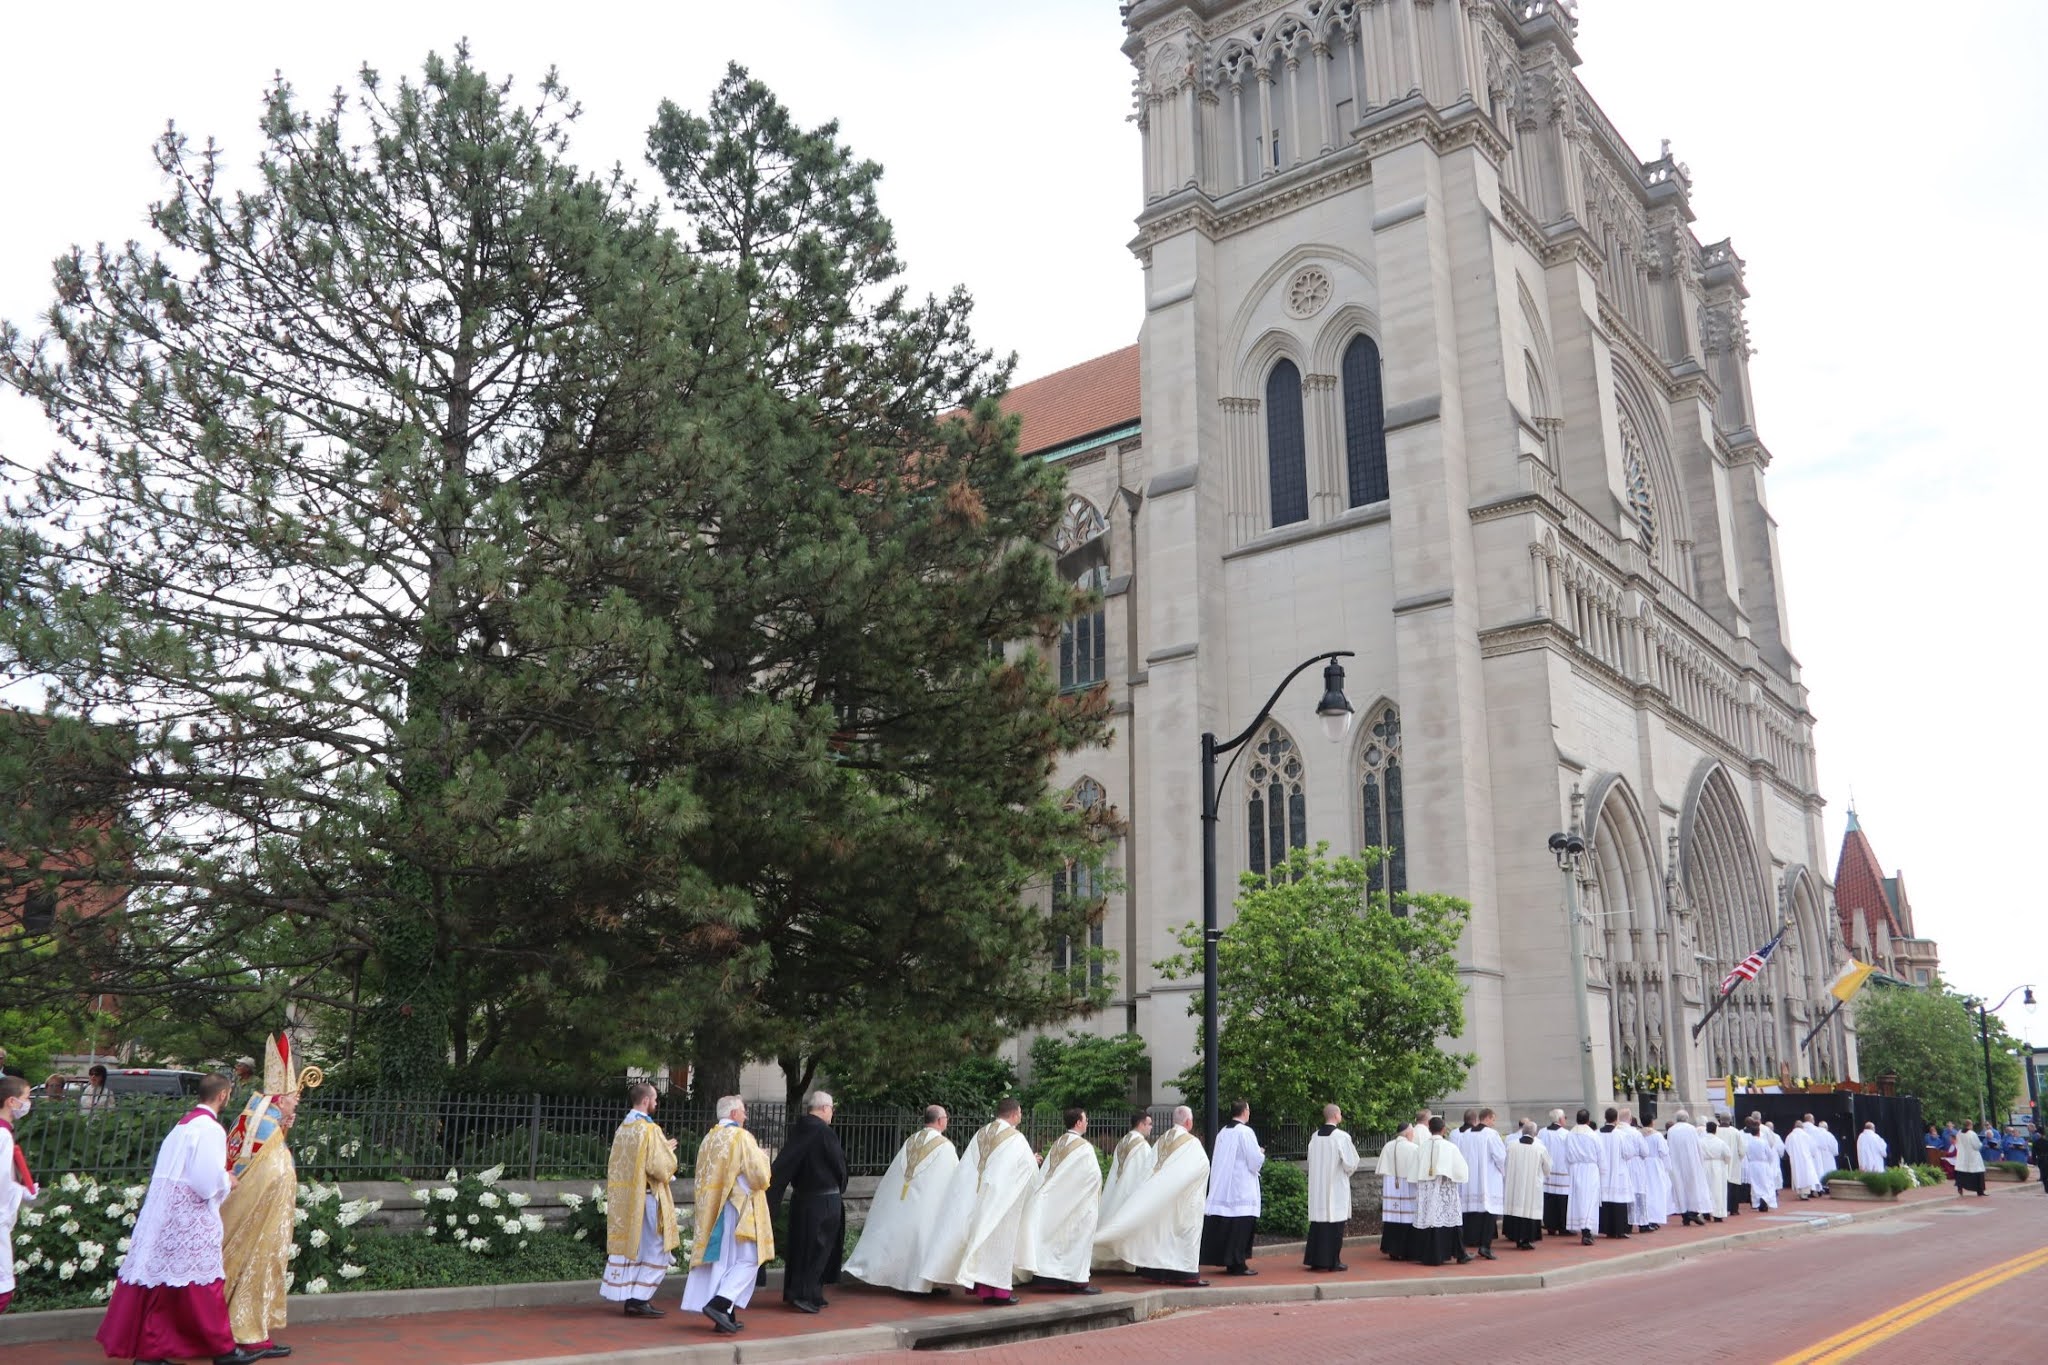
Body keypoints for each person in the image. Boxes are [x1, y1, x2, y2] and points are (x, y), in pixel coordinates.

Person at [96, 1073, 256, 1365]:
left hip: (164, 1215)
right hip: (188, 1218)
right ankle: (223, 1350)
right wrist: (227, 1180)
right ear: (223, 1095)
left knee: (164, 1286)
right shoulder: (210, 1129)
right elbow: (205, 1181)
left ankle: (151, 1351)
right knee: (204, 1286)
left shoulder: (182, 1126)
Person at [218, 1033, 317, 1360]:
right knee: (253, 1266)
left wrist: (285, 1126)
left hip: (245, 1215)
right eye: (291, 1096)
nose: (296, 1100)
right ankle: (247, 1333)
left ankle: (243, 1331)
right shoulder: (265, 1125)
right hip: (256, 1222)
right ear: (277, 1100)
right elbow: (270, 1172)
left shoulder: (255, 1117)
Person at [919, 1096, 1039, 1304]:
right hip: (1002, 1200)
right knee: (998, 1244)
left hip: (978, 1196)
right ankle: (1000, 1293)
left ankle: (985, 1291)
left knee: (982, 1242)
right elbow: (1028, 1170)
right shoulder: (1015, 1138)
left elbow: (966, 1168)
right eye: (1020, 1111)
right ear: (1013, 1113)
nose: (1021, 1115)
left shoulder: (981, 1134)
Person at [681, 1095, 774, 1334]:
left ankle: (727, 1316)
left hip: (715, 1208)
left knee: (726, 1261)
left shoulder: (709, 1138)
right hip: (739, 1207)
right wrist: (763, 1156)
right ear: (733, 1114)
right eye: (743, 1111)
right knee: (750, 1258)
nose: (745, 1116)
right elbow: (759, 1177)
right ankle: (719, 1304)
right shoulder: (741, 1137)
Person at [845, 1106, 957, 1294]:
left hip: (907, 1200)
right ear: (940, 1121)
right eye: (946, 1117)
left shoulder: (911, 1141)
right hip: (929, 1204)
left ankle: (906, 1281)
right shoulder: (944, 1146)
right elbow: (954, 1177)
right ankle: (924, 1284)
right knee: (925, 1241)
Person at [1094, 1106, 1210, 1286]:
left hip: (1158, 1199)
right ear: (1188, 1122)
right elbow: (1201, 1167)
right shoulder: (1191, 1143)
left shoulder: (1160, 1141)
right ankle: (1185, 1274)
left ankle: (1157, 1272)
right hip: (1179, 1200)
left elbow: (1148, 1171)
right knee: (1179, 1235)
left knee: (1159, 1235)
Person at [600, 1080, 680, 1317]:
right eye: (655, 1099)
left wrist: (661, 1148)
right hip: (648, 1197)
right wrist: (668, 1153)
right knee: (659, 1247)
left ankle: (630, 1295)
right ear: (645, 1101)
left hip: (628, 1198)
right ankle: (639, 1297)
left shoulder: (624, 1127)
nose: (656, 1103)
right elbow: (658, 1167)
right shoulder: (649, 1129)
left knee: (637, 1246)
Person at [770, 1090, 849, 1314]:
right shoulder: (824, 1132)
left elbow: (785, 1165)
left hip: (803, 1198)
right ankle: (806, 1293)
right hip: (824, 1200)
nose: (832, 1113)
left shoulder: (800, 1129)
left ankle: (805, 1291)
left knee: (803, 1248)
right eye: (832, 1109)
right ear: (824, 1108)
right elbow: (838, 1165)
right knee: (818, 1249)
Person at [1016, 1108, 1103, 1293]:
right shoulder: (1084, 1148)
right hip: (1075, 1204)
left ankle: (1049, 1278)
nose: (1087, 1123)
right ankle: (1077, 1281)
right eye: (1085, 1119)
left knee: (1054, 1241)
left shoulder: (1058, 1143)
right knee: (1074, 1240)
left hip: (1053, 1202)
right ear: (1078, 1122)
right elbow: (1093, 1177)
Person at [1200, 1099, 1263, 1276]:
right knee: (1241, 1228)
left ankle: (1231, 1261)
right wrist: (1261, 1154)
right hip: (1241, 1187)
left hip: (1225, 1185)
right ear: (1244, 1111)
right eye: (1248, 1109)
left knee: (1230, 1228)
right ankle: (1238, 1263)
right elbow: (1254, 1161)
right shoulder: (1245, 1132)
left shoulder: (1222, 1133)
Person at [1092, 1113, 1155, 1270]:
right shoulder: (1142, 1146)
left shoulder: (1123, 1141)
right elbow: (1146, 1172)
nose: (1151, 1128)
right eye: (1149, 1124)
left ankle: (1114, 1260)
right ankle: (1130, 1262)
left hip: (1116, 1190)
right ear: (1141, 1124)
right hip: (1130, 1191)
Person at [1304, 1104, 1359, 1271]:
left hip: (1318, 1187)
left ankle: (1315, 1259)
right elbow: (1351, 1163)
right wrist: (1346, 1172)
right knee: (1334, 1224)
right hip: (1335, 1186)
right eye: (1340, 1113)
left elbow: (1310, 1160)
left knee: (1319, 1225)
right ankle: (1332, 1261)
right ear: (1335, 1115)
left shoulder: (1315, 1137)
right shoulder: (1341, 1137)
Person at [1, 1075, 38, 1315]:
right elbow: (2, 1181)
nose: (29, 1103)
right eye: (26, 1097)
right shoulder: (3, 1136)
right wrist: (22, 1192)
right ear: (11, 1102)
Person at [1411, 1116, 1471, 1266]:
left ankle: (1428, 1255)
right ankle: (1460, 1254)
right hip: (1445, 1190)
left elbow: (1414, 1171)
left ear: (1429, 1129)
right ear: (1443, 1129)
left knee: (1429, 1219)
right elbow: (1461, 1170)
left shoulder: (1422, 1147)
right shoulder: (1449, 1147)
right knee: (1449, 1218)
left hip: (1427, 1191)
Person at [1453, 1108, 1505, 1260]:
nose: (1494, 1123)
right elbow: (1500, 1157)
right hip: (1487, 1179)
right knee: (1489, 1212)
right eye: (1493, 1119)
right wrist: (1502, 1171)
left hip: (1470, 1181)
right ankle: (1485, 1246)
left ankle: (1466, 1242)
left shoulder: (1466, 1135)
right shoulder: (1491, 1134)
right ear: (1487, 1118)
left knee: (1471, 1212)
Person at [1502, 1119, 1550, 1251]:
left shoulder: (1511, 1145)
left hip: (1515, 1183)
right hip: (1532, 1186)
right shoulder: (1539, 1148)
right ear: (1535, 1133)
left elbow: (1504, 1163)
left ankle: (1516, 1237)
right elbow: (1547, 1168)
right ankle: (1527, 1239)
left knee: (1516, 1208)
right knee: (1529, 1209)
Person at [1375, 1122, 1417, 1261]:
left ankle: (1392, 1249)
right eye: (1412, 1132)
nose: (1413, 1135)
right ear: (1406, 1133)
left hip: (1391, 1184)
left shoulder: (1388, 1146)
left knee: (1394, 1218)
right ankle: (1407, 1250)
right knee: (1407, 1216)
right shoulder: (1413, 1148)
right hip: (1407, 1185)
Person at [1563, 1109, 1603, 1246]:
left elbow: (1566, 1156)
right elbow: (1600, 1155)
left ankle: (1583, 1228)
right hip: (1590, 1169)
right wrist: (1602, 1171)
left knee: (1579, 1200)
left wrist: (1571, 1169)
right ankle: (1587, 1231)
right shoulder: (1593, 1135)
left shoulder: (1570, 1135)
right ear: (1588, 1120)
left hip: (1576, 1169)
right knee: (1590, 1200)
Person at [1664, 1111, 1710, 1226]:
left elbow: (1669, 1146)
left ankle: (1685, 1214)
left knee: (1680, 1187)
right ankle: (1693, 1212)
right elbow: (1697, 1145)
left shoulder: (1671, 1130)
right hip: (1691, 1162)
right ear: (1687, 1118)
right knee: (1693, 1187)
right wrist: (1700, 1159)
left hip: (1676, 1162)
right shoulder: (1691, 1129)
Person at [1594, 1106, 1634, 1239]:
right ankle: (1620, 1229)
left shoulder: (1596, 1134)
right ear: (1616, 1119)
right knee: (1618, 1199)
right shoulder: (1621, 1135)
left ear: (1605, 1118)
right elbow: (1629, 1153)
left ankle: (1606, 1228)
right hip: (1618, 1171)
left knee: (1605, 1199)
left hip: (1603, 1172)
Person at [1536, 1109, 1571, 1237]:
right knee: (1562, 1199)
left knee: (1548, 1197)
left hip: (1547, 1170)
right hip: (1562, 1170)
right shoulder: (1566, 1134)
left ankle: (1550, 1225)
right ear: (1561, 1119)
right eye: (1565, 1117)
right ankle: (1563, 1226)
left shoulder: (1542, 1132)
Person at [1631, 1115, 1669, 1232]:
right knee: (1656, 1192)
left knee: (1645, 1192)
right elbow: (1664, 1151)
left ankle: (1646, 1218)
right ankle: (1653, 1218)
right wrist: (1667, 1167)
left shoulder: (1639, 1133)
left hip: (1642, 1164)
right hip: (1655, 1165)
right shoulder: (1657, 1136)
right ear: (1652, 1122)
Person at [1697, 1120, 1731, 1223]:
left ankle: (1706, 1212)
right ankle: (1717, 1214)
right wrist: (1724, 1162)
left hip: (1704, 1166)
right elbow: (1728, 1155)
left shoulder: (1700, 1141)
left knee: (1705, 1189)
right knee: (1718, 1190)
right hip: (1717, 1166)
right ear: (1716, 1130)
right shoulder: (1720, 1142)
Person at [1741, 1120, 1779, 1211]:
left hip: (1752, 1164)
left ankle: (1756, 1203)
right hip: (1763, 1164)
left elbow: (1746, 1153)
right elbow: (1770, 1155)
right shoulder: (1763, 1142)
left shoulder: (1748, 1142)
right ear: (1759, 1132)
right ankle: (1765, 1199)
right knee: (1765, 1183)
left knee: (1755, 1184)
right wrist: (1768, 1162)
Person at [1785, 1115, 1824, 1200]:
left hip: (1795, 1160)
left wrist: (1792, 1155)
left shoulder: (1790, 1136)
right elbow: (1813, 1147)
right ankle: (1805, 1193)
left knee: (1798, 1175)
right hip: (1806, 1159)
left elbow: (1787, 1148)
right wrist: (1811, 1155)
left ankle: (1799, 1192)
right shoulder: (1806, 1135)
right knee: (1806, 1175)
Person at [1951, 1119, 1987, 1197]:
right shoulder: (1972, 1134)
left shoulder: (1959, 1133)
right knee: (1978, 1172)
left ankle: (1960, 1187)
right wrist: (1981, 1144)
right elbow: (1976, 1146)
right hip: (1972, 1155)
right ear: (1970, 1125)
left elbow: (1957, 1144)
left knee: (1962, 1172)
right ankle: (1980, 1191)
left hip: (1962, 1155)